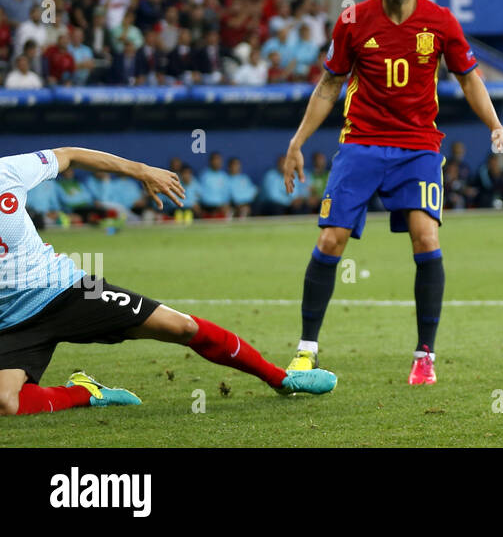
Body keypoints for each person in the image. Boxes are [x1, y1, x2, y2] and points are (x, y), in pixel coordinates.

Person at [280, 0, 503, 385]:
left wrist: (497, 128)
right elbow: (330, 84)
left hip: (419, 147)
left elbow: (469, 78)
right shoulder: (352, 21)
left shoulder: (441, 21)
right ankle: (306, 350)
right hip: (362, 143)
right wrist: (297, 142)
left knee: (426, 239)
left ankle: (424, 354)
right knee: (330, 241)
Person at [0, 146, 335, 417]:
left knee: (181, 327)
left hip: (67, 291)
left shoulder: (10, 172)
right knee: (6, 402)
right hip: (11, 321)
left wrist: (141, 170)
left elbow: (69, 154)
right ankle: (85, 392)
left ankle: (281, 379)